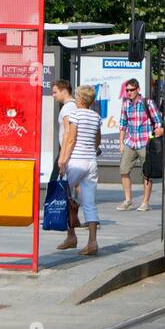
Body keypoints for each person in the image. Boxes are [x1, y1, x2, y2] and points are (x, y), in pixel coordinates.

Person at [57, 86, 101, 255]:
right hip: (91, 162)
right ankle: (92, 242)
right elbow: (98, 140)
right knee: (89, 202)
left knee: (63, 194)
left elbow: (71, 139)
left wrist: (63, 160)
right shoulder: (96, 116)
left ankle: (71, 235)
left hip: (76, 160)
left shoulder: (76, 114)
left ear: (80, 99)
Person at [117, 78, 165, 212]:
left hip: (145, 142)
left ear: (138, 90)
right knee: (124, 170)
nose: (129, 92)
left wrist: (155, 136)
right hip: (130, 141)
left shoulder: (147, 103)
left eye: (131, 90)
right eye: (127, 90)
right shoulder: (126, 104)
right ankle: (128, 200)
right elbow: (122, 124)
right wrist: (121, 142)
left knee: (147, 173)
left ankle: (145, 202)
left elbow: (158, 122)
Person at [50, 80, 75, 179]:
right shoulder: (74, 105)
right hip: (69, 150)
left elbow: (67, 132)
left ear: (64, 91)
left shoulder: (67, 108)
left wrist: (63, 156)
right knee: (74, 183)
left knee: (55, 181)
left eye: (55, 92)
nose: (53, 95)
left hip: (66, 151)